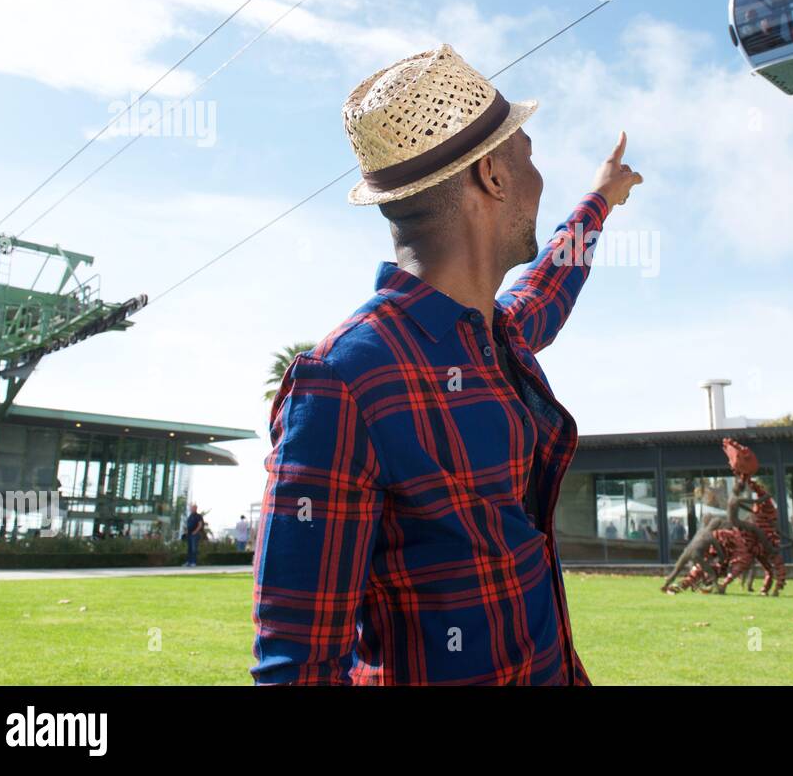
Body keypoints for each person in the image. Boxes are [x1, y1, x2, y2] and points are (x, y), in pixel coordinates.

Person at [251, 44, 642, 686]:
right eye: (531, 157)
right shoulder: (343, 382)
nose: (538, 178)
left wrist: (599, 199)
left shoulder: (492, 337)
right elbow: (296, 667)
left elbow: (547, 284)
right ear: (492, 175)